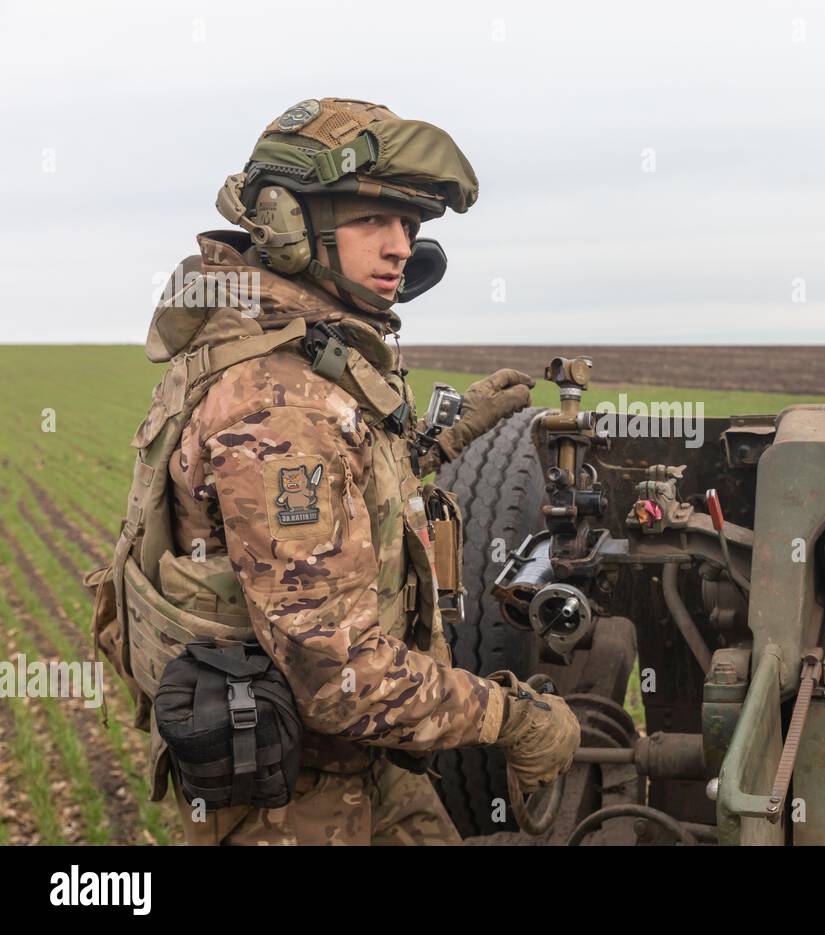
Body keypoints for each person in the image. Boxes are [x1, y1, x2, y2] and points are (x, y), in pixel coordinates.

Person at [92, 97, 579, 845]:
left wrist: (443, 441)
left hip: (361, 768)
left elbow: (340, 504)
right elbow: (338, 677)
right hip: (299, 801)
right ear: (290, 224)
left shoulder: (290, 351)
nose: (400, 249)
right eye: (373, 221)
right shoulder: (279, 402)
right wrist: (512, 718)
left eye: (410, 228)